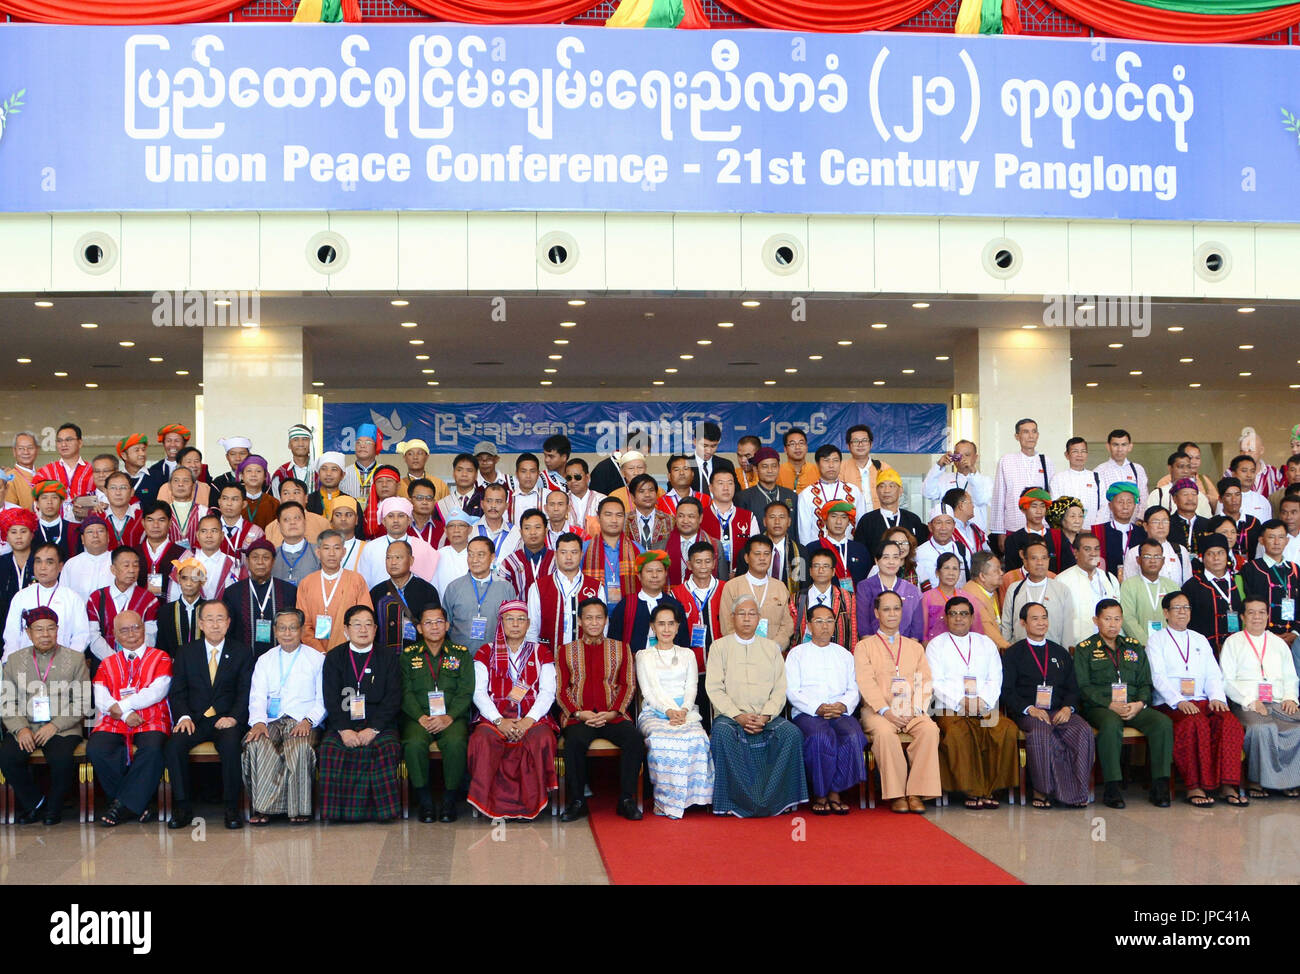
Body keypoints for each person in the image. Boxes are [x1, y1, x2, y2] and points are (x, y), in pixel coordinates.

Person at [707, 595, 807, 817]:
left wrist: (766, 716)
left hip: (765, 717)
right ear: (732, 617)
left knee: (791, 734)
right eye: (741, 613)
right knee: (722, 734)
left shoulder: (771, 648)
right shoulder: (719, 647)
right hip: (730, 718)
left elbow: (780, 688)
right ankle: (733, 801)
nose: (746, 618)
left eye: (752, 614)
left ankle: (779, 800)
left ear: (759, 618)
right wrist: (738, 716)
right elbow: (714, 688)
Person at [1146, 591, 1244, 807]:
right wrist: (1179, 701)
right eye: (1177, 608)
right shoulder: (1156, 640)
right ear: (1166, 613)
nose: (1183, 612)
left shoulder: (1200, 639)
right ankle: (1194, 786)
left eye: (1186, 607)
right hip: (1171, 704)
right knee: (1194, 723)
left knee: (1229, 722)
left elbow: (1213, 674)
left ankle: (1227, 784)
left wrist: (1217, 698)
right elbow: (1157, 677)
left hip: (1202, 700)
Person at [1074, 598, 1173, 808]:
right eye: (1107, 619)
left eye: (1117, 619)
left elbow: (1145, 682)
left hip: (1133, 705)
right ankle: (1112, 787)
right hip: (1101, 707)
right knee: (1111, 724)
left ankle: (1160, 785)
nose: (1113, 624)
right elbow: (1083, 687)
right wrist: (1109, 704)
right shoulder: (1085, 649)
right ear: (1096, 620)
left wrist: (1140, 703)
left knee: (1162, 723)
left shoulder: (1134, 646)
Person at [164, 599, 254, 831]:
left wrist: (234, 717)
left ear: (228, 623)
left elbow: (246, 691)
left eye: (220, 619)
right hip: (194, 720)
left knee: (232, 745)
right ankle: (182, 807)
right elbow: (178, 691)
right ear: (201, 624)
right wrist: (184, 717)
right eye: (210, 619)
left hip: (227, 719)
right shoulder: (186, 652)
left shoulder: (242, 652)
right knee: (174, 745)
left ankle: (231, 808)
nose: (215, 625)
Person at [467, 600, 559, 819]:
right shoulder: (485, 652)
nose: (515, 624)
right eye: (510, 619)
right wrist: (499, 721)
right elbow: (478, 692)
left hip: (532, 718)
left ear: (528, 623)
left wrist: (529, 720)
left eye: (521, 619)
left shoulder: (541, 652)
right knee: (481, 740)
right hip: (495, 719)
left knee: (542, 739)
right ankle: (487, 802)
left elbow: (548, 692)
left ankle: (532, 802)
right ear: (501, 622)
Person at [556, 598, 644, 821]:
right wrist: (578, 713)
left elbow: (628, 685)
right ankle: (578, 801)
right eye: (588, 618)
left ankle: (626, 800)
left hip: (613, 716)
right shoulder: (565, 651)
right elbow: (561, 689)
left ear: (606, 620)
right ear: (580, 621)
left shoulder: (621, 648)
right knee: (573, 742)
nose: (594, 623)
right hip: (579, 717)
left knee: (634, 739)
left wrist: (614, 712)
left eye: (598, 618)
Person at [926, 596, 1018, 808]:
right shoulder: (935, 645)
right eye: (953, 614)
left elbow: (995, 678)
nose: (958, 618)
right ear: (946, 617)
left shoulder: (986, 643)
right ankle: (972, 791)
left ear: (972, 617)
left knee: (1006, 730)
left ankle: (991, 789)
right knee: (958, 734)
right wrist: (962, 702)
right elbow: (936, 682)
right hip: (950, 708)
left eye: (963, 614)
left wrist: (982, 701)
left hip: (984, 706)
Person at [0, 607, 89, 824]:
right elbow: (6, 701)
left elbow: (83, 702)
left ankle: (54, 809)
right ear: (28, 633)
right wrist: (20, 728)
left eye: (51, 629)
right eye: (39, 630)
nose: (45, 635)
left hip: (63, 727)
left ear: (58, 630)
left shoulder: (75, 659)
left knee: (61, 758)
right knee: (8, 757)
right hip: (26, 725)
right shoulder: (14, 660)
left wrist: (55, 725)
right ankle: (36, 803)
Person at [854, 590, 941, 813]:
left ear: (902, 612)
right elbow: (865, 682)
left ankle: (916, 792)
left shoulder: (915, 647)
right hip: (877, 711)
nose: (892, 614)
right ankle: (897, 794)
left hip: (911, 710)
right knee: (884, 734)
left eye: (896, 609)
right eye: (886, 609)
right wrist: (886, 711)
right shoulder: (865, 646)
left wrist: (916, 709)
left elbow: (925, 681)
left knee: (930, 730)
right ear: (877, 613)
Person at [1001, 602, 1094, 807]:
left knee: (1082, 730)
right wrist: (1030, 709)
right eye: (1035, 619)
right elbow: (1007, 691)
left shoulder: (1059, 652)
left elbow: (1073, 687)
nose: (1041, 622)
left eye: (1044, 617)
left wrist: (1068, 708)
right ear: (1023, 623)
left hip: (1059, 711)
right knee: (1041, 733)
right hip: (1029, 713)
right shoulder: (1013, 653)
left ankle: (1077, 793)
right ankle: (1041, 791)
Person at [318, 605, 403, 821]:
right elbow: (330, 698)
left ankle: (382, 812)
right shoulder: (335, 657)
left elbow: (393, 698)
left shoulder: (388, 657)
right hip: (344, 723)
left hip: (379, 724)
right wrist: (344, 730)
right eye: (357, 625)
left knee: (387, 747)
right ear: (346, 630)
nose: (363, 630)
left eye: (368, 624)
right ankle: (336, 813)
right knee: (329, 749)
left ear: (375, 629)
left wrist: (373, 729)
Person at [242, 607, 326, 824]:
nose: (287, 633)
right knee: (256, 744)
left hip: (303, 720)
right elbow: (257, 696)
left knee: (299, 748)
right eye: (282, 628)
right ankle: (264, 808)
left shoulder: (316, 659)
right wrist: (258, 722)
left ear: (301, 630)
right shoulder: (265, 660)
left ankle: (298, 810)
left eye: (292, 628)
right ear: (275, 631)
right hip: (271, 720)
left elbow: (323, 699)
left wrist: (309, 720)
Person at [87, 611, 172, 826]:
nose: (131, 634)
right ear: (115, 635)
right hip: (114, 719)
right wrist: (124, 714)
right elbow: (101, 695)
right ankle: (134, 805)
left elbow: (157, 691)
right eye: (124, 630)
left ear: (144, 629)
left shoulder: (161, 657)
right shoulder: (107, 663)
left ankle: (122, 805)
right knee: (96, 748)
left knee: (152, 749)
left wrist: (123, 706)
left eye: (136, 628)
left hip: (151, 718)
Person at [786, 604, 866, 815]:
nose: (825, 626)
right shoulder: (797, 654)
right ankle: (821, 794)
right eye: (819, 621)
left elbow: (854, 688)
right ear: (809, 625)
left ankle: (835, 791)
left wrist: (842, 705)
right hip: (808, 713)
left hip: (839, 711)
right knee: (820, 737)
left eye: (829, 621)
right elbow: (792, 691)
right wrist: (817, 708)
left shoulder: (844, 654)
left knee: (853, 735)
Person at [636, 604, 714, 818]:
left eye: (671, 623)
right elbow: (648, 692)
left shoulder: (687, 654)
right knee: (662, 740)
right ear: (653, 627)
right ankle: (666, 801)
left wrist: (684, 709)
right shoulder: (644, 655)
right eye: (661, 624)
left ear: (678, 626)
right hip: (654, 712)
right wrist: (669, 710)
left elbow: (692, 688)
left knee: (697, 737)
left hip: (685, 711)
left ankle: (693, 798)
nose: (666, 629)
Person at [399, 605, 473, 823]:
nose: (434, 627)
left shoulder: (461, 654)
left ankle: (449, 800)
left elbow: (466, 691)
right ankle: (425, 801)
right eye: (428, 623)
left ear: (447, 625)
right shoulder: (408, 656)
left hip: (451, 717)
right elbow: (404, 691)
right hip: (418, 717)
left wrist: (449, 717)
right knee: (413, 743)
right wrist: (420, 717)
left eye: (439, 622)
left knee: (456, 742)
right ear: (419, 628)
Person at [1220, 597, 1300, 798]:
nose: (1257, 617)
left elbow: (1291, 676)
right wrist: (1250, 701)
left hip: (1278, 702)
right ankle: (1257, 782)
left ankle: (1288, 781)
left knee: (1296, 729)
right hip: (1247, 703)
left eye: (1261, 612)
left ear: (1267, 616)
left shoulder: (1278, 643)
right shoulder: (1233, 642)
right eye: (1251, 612)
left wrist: (1291, 697)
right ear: (1242, 617)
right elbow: (1226, 681)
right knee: (1261, 728)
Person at [3, 543, 91, 662]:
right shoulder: (21, 596)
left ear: (60, 567)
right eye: (38, 561)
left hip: (62, 663)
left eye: (49, 562)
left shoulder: (72, 598)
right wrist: (10, 662)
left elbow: (81, 636)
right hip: (26, 663)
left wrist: (67, 662)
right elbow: (11, 635)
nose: (42, 567)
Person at [296, 530, 373, 653]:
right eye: (326, 548)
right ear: (318, 552)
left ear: (343, 552)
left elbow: (365, 618)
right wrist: (320, 652)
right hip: (314, 653)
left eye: (336, 548)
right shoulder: (306, 583)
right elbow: (303, 624)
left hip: (348, 651)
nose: (331, 553)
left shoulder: (356, 580)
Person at [526, 532, 601, 653]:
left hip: (585, 657)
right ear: (555, 554)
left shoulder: (595, 587)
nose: (569, 557)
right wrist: (536, 658)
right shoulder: (538, 587)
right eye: (563, 552)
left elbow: (602, 628)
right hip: (548, 658)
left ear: (581, 555)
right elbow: (532, 629)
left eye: (574, 552)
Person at [223, 538, 296, 657]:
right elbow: (228, 633)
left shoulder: (288, 591)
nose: (260, 562)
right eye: (255, 557)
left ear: (273, 561)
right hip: (243, 661)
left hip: (281, 659)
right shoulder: (232, 593)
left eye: (266, 558)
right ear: (247, 561)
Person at [719, 536, 795, 649]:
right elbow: (727, 624)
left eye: (766, 554)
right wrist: (744, 647)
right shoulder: (732, 586)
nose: (762, 558)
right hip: (740, 651)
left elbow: (788, 624)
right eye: (757, 554)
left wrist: (774, 646)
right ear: (747, 558)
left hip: (773, 652)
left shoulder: (780, 587)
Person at [87, 546, 160, 663]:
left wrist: (132, 658)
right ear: (113, 570)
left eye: (135, 565)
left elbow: (150, 635)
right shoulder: (96, 598)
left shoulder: (149, 599)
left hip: (139, 662)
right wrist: (115, 661)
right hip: (105, 663)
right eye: (126, 565)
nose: (132, 570)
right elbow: (93, 635)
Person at [989, 418, 1054, 547]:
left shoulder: (1046, 461)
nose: (1031, 436)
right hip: (1013, 526)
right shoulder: (1007, 460)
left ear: (1038, 435)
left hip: (1041, 527)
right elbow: (999, 497)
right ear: (1017, 436)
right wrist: (999, 532)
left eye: (1034, 431)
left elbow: (1050, 496)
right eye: (1025, 432)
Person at [442, 536, 513, 652]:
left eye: (480, 555)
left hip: (495, 655)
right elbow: (446, 626)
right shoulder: (454, 587)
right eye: (470, 554)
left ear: (492, 557)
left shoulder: (506, 588)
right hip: (459, 656)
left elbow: (511, 626)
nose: (474, 560)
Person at [370, 540, 441, 655]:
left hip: (419, 657)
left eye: (398, 557)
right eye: (388, 558)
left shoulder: (427, 591)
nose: (393, 562)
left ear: (411, 560)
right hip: (385, 658)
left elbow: (436, 625)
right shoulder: (377, 592)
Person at [609, 550, 686, 651]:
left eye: (659, 571)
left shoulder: (675, 605)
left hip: (670, 659)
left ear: (666, 574)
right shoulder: (626, 605)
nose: (654, 575)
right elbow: (614, 641)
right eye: (649, 571)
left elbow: (683, 642)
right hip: (634, 660)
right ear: (639, 575)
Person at [1240, 519, 1300, 647]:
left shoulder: (1295, 569)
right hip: (1260, 637)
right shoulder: (1251, 569)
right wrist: (1266, 633)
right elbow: (1246, 603)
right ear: (1261, 540)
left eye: (1281, 537)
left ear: (1287, 541)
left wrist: (1295, 632)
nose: (1277, 542)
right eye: (1271, 537)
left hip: (1292, 638)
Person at [356, 496, 439, 588]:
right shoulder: (371, 548)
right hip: (378, 596)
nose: (396, 520)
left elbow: (431, 585)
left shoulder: (423, 548)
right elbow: (363, 583)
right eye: (390, 516)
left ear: (409, 520)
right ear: (383, 521)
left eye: (401, 516)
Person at [1001, 540, 1071, 646]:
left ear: (1048, 560)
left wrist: (1065, 651)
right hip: (1021, 649)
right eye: (1034, 558)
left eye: (1044, 558)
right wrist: (1008, 649)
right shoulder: (1014, 589)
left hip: (1052, 649)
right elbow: (1006, 623)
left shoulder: (1061, 589)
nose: (1040, 563)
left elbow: (1068, 626)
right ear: (1025, 562)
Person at [1056, 532, 1120, 649]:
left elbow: (1118, 614)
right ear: (1075, 552)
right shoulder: (1062, 580)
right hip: (1076, 648)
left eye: (1096, 549)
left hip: (1108, 647)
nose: (1093, 553)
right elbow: (1057, 620)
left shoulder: (1109, 578)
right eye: (1087, 549)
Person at [1183, 535, 1245, 655]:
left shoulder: (1239, 581)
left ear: (1227, 556)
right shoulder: (1192, 586)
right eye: (1210, 554)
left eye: (1220, 553)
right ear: (1203, 558)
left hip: (1238, 649)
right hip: (1203, 652)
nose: (1216, 558)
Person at [855, 539, 923, 642]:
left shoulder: (911, 590)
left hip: (906, 647)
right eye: (886, 557)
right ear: (876, 560)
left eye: (895, 557)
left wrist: (907, 649)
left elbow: (916, 630)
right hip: (874, 647)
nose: (891, 562)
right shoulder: (865, 587)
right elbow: (864, 626)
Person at [796, 445, 864, 545]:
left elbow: (861, 526)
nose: (831, 465)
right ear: (818, 464)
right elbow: (804, 533)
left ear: (840, 463)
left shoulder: (854, 491)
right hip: (818, 550)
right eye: (826, 461)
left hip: (848, 549)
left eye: (835, 461)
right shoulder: (806, 494)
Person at [791, 548, 858, 648]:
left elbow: (853, 633)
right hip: (805, 653)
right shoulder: (797, 598)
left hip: (837, 653)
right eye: (816, 566)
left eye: (825, 566)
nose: (821, 570)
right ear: (810, 571)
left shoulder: (848, 597)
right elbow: (792, 633)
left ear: (833, 571)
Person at [853, 469, 927, 557]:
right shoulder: (867, 521)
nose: (886, 490)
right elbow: (860, 552)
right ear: (876, 491)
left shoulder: (912, 519)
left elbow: (921, 550)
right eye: (882, 486)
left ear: (900, 491)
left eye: (891, 486)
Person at [1120, 540, 1181, 647]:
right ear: (1138, 560)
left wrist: (1170, 643)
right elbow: (1127, 618)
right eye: (1147, 556)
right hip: (1139, 647)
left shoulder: (1172, 587)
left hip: (1168, 646)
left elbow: (1178, 617)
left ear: (1163, 560)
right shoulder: (1128, 585)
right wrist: (1147, 643)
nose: (1153, 561)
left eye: (1157, 557)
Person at [923, 439, 991, 532]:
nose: (963, 459)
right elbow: (928, 493)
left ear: (975, 457)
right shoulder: (944, 478)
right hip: (948, 533)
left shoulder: (985, 480)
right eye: (958, 455)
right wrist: (939, 466)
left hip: (975, 534)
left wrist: (972, 471)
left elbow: (981, 499)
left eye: (967, 455)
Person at [582, 496, 638, 605]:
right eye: (608, 515)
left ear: (624, 518)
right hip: (594, 612)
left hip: (629, 610)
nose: (614, 520)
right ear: (598, 518)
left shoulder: (637, 550)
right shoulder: (584, 549)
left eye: (619, 515)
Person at [804, 499, 871, 589]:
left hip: (857, 597)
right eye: (834, 516)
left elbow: (868, 580)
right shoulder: (811, 548)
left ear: (849, 522)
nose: (838, 522)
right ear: (825, 520)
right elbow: (803, 581)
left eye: (844, 517)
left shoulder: (860, 549)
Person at [35, 423, 95, 516]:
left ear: (80, 443)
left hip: (86, 523)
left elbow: (101, 500)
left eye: (68, 440)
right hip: (55, 523)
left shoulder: (94, 471)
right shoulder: (46, 472)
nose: (63, 444)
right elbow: (36, 503)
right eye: (59, 441)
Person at [1123, 507, 1192, 586]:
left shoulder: (1180, 551)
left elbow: (1188, 585)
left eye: (1165, 521)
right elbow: (1129, 585)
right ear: (1145, 526)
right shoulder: (1135, 552)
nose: (1161, 526)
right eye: (1155, 522)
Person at [1092, 482, 1146, 581]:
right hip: (1106, 584)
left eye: (1129, 502)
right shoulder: (1098, 532)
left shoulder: (1142, 533)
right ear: (1110, 506)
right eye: (1120, 502)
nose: (1125, 507)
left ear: (1135, 506)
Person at [495, 509, 554, 599]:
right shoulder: (509, 562)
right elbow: (501, 595)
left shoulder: (557, 561)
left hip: (550, 608)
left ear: (546, 531)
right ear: (521, 532)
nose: (533, 532)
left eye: (537, 527)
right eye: (527, 528)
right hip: (519, 608)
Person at [737, 446, 797, 533]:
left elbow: (795, 529)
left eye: (774, 466)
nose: (770, 471)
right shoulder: (744, 497)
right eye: (765, 466)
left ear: (779, 468)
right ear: (756, 469)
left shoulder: (791, 495)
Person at [664, 497, 722, 586]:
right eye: (681, 516)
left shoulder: (715, 545)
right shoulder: (661, 546)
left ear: (700, 518)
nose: (685, 521)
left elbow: (722, 581)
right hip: (669, 594)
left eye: (691, 516)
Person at [921, 553, 976, 641]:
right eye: (946, 568)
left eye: (955, 569)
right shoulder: (926, 597)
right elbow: (923, 635)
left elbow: (975, 630)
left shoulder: (968, 597)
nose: (951, 573)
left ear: (959, 573)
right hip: (935, 646)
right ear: (937, 572)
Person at [1051, 437, 1104, 527]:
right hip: (1066, 531)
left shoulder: (1096, 478)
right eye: (1075, 451)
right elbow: (1055, 507)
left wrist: (1095, 528)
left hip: (1091, 530)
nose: (1080, 455)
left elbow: (1104, 507)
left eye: (1083, 451)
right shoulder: (1058, 479)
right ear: (1067, 455)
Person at [962, 550, 1010, 650]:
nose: (1001, 573)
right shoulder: (971, 595)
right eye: (996, 570)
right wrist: (1008, 647)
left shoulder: (991, 589)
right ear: (982, 576)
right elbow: (985, 625)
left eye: (1001, 569)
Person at [156, 558, 205, 655]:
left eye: (194, 579)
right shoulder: (165, 611)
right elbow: (161, 647)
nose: (188, 584)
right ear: (178, 579)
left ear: (202, 581)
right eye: (184, 578)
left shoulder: (210, 610)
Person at [60, 513, 112, 601]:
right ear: (82, 539)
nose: (95, 535)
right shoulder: (71, 564)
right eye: (90, 532)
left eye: (100, 531)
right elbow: (63, 597)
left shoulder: (117, 561)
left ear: (108, 537)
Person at [0, 508, 36, 630]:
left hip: (37, 627)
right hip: (5, 626)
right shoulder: (2, 563)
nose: (19, 536)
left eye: (23, 531)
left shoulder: (42, 561)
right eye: (13, 532)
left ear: (32, 535)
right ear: (6, 536)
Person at [264, 480, 329, 546]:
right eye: (286, 493)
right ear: (280, 499)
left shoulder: (322, 523)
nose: (291, 497)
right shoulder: (270, 528)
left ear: (306, 498)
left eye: (296, 492)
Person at [1002, 488, 1052, 573]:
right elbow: (1012, 572)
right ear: (1023, 509)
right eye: (1034, 506)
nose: (1039, 511)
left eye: (1042, 506)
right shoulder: (1013, 540)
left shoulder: (1058, 537)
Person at [1095, 429, 1148, 508]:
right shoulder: (1099, 471)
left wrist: (1139, 516)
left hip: (1135, 516)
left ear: (1130, 447)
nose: (1119, 449)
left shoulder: (1138, 470)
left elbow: (1144, 498)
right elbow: (1098, 501)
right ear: (1108, 447)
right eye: (1115, 445)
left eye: (1124, 445)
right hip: (1108, 515)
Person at [915, 509, 967, 590]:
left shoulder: (963, 550)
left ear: (954, 526)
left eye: (948, 522)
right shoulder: (918, 553)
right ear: (930, 527)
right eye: (939, 522)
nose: (943, 528)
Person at [1217, 477, 1264, 564]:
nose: (1234, 500)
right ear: (1220, 499)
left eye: (1237, 494)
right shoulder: (1214, 523)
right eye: (1228, 495)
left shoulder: (1253, 523)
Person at [32, 479, 79, 561]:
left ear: (61, 502)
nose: (49, 502)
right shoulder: (30, 531)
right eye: (44, 498)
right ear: (37, 503)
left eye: (54, 497)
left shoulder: (74, 529)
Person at [432, 509, 476, 596]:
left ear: (470, 529)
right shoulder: (437, 555)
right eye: (451, 526)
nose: (456, 530)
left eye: (461, 525)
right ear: (445, 530)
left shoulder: (477, 555)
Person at [656, 454, 713, 520]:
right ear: (669, 476)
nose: (681, 473)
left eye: (685, 469)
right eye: (676, 470)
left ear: (692, 474)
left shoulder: (706, 500)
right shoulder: (659, 503)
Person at [1167, 478, 1212, 557]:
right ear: (1174, 499)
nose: (1190, 498)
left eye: (1194, 494)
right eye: (1185, 494)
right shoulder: (1167, 524)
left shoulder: (1208, 524)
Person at [271, 424, 317, 499]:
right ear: (289, 445)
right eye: (296, 439)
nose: (301, 444)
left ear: (311, 444)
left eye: (305, 439)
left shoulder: (320, 471)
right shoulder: (280, 474)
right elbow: (278, 502)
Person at [688, 420, 734, 496]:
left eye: (713, 446)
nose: (709, 451)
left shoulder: (725, 465)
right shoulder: (687, 464)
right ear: (695, 442)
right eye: (704, 446)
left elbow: (735, 492)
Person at [306, 451, 356, 521]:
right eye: (324, 469)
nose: (328, 473)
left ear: (342, 475)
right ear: (318, 474)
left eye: (334, 469)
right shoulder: (307, 501)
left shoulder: (351, 502)